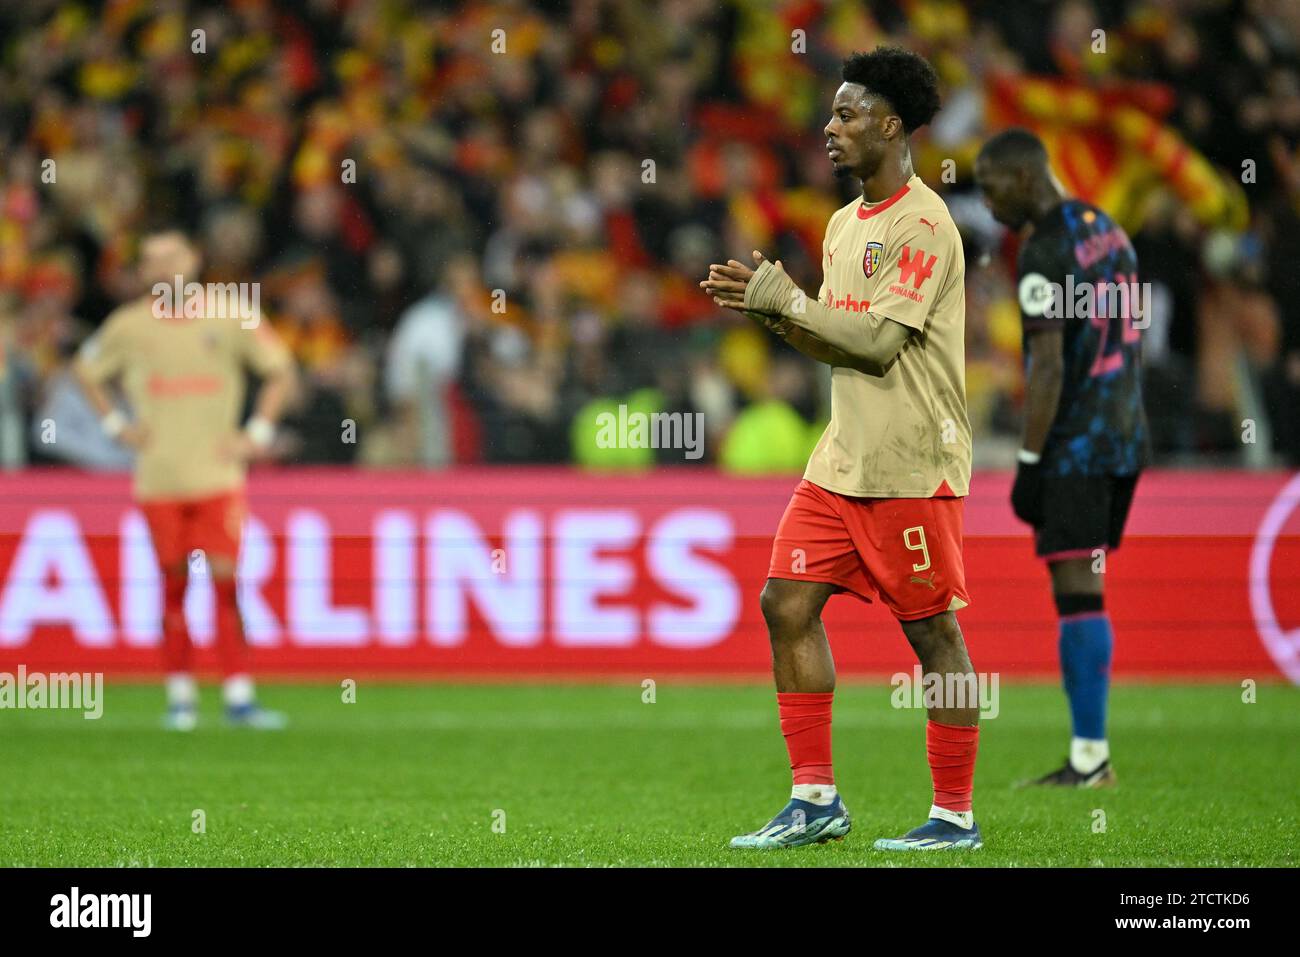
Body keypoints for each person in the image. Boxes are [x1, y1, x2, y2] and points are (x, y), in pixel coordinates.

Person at [701, 47, 982, 851]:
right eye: (831, 114)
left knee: (933, 635)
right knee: (783, 603)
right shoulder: (839, 224)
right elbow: (833, 342)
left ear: (891, 126)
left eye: (847, 114)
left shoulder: (925, 223)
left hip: (909, 461)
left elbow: (878, 346)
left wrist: (789, 301)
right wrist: (774, 315)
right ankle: (814, 798)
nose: (829, 128)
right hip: (841, 460)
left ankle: (954, 814)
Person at [975, 128, 1151, 787]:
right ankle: (1090, 753)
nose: (989, 206)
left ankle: (1089, 757)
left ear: (1023, 178)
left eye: (992, 189)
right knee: (1086, 588)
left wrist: (1028, 459)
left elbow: (1046, 366)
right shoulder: (1108, 229)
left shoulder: (1043, 251)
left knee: (1077, 591)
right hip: (1127, 432)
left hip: (1076, 443)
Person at [75, 228, 297, 731]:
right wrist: (117, 426)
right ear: (144, 273)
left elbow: (281, 369)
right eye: (152, 260)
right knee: (173, 585)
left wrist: (256, 433)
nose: (164, 268)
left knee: (225, 582)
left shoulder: (231, 312)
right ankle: (181, 697)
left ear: (194, 260)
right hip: (159, 477)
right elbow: (85, 370)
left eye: (172, 256)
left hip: (218, 474)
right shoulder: (128, 327)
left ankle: (239, 695)